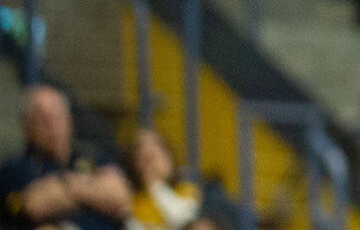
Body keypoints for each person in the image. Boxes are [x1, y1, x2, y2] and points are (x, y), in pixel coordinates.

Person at [0, 85, 131, 230]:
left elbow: (121, 197)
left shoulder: (92, 155)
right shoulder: (15, 167)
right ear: (27, 126)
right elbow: (36, 205)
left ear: (69, 119)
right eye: (43, 119)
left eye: (57, 116)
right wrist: (94, 189)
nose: (52, 126)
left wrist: (68, 187)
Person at [123, 129, 210, 230]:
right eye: (147, 160)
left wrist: (156, 185)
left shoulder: (188, 189)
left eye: (158, 154)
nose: (153, 165)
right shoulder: (133, 201)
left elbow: (183, 221)